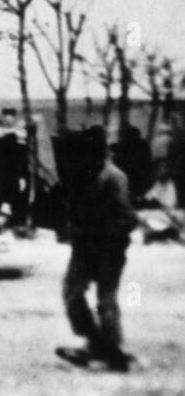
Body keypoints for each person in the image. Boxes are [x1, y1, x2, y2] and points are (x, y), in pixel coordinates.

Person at [60, 126, 140, 371]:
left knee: (105, 300)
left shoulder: (114, 177)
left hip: (108, 248)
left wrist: (102, 233)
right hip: (84, 246)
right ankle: (96, 341)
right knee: (72, 292)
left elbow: (128, 218)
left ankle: (112, 349)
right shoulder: (84, 174)